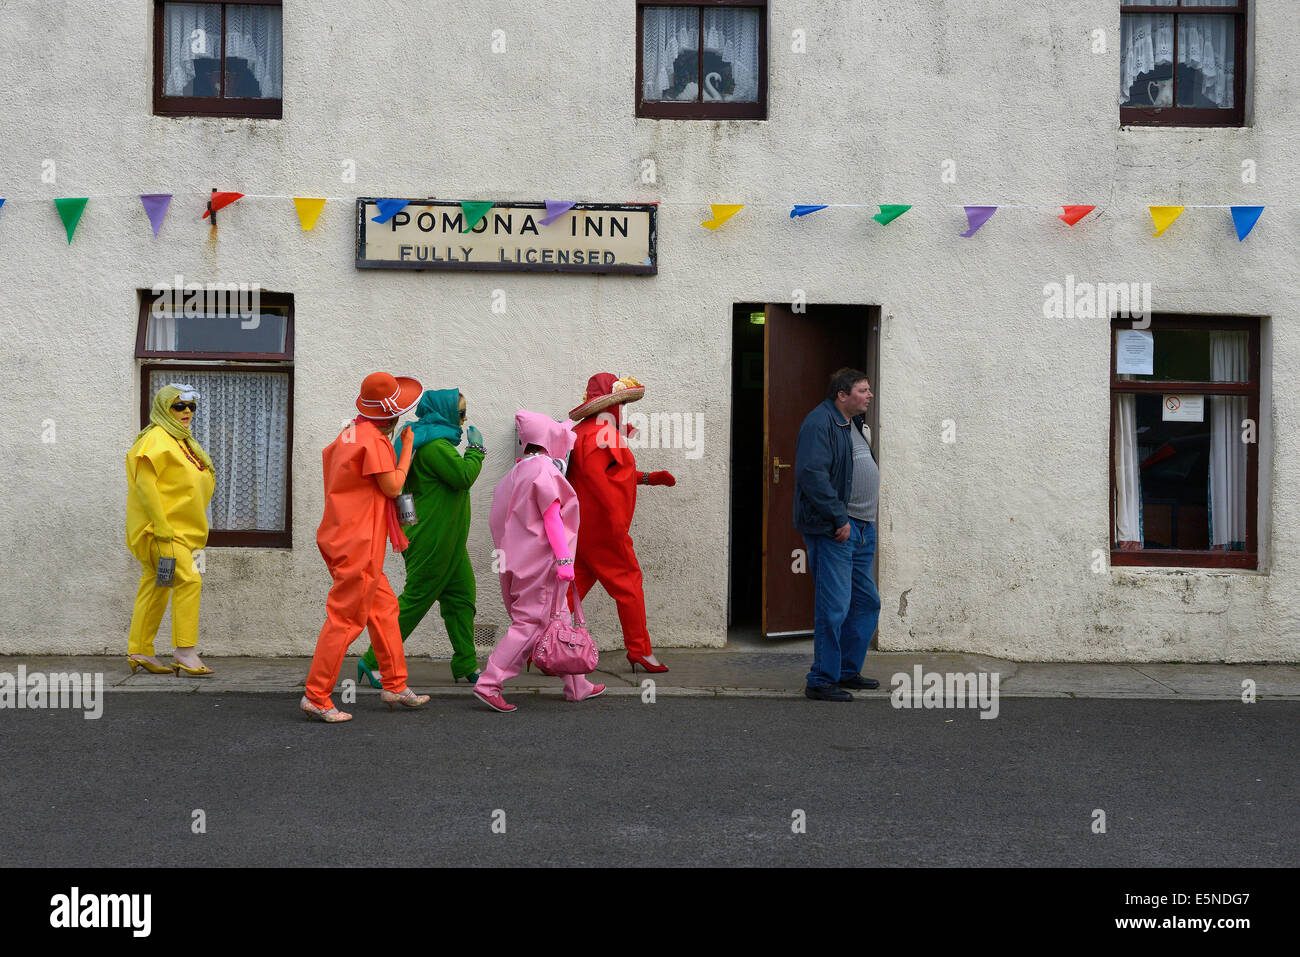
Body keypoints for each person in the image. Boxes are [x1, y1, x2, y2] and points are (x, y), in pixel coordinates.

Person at [301, 372, 431, 722]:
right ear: (391, 416)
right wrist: (407, 451)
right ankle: (316, 696)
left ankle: (394, 683)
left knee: (384, 609)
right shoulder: (373, 441)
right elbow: (393, 487)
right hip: (358, 543)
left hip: (343, 536)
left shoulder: (349, 434)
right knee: (345, 619)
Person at [473, 410, 605, 713]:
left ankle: (577, 684)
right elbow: (553, 519)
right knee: (530, 623)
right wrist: (564, 559)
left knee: (553, 619)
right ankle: (489, 683)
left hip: (520, 561)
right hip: (543, 563)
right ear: (549, 440)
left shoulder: (514, 474)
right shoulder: (545, 472)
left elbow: (500, 520)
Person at [357, 389, 486, 687]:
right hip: (434, 541)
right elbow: (463, 476)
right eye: (461, 414)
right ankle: (373, 659)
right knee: (414, 602)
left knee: (461, 599)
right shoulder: (435, 446)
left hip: (447, 541)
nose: (464, 420)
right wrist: (476, 450)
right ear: (446, 414)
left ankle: (466, 663)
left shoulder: (419, 438)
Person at [566, 373, 675, 674]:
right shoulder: (603, 436)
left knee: (572, 587)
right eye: (620, 404)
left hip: (583, 529)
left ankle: (540, 646)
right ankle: (640, 650)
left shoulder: (582, 432)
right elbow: (601, 484)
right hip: (604, 529)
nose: (622, 410)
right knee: (629, 585)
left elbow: (610, 478)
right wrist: (617, 527)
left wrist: (648, 478)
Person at [793, 368, 882, 702]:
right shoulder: (820, 423)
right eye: (862, 390)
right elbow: (811, 474)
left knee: (866, 601)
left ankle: (846, 669)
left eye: (869, 390)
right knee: (834, 606)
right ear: (842, 395)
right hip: (837, 529)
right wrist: (837, 518)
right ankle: (820, 679)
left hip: (862, 527)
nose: (869, 395)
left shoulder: (854, 424)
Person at [124, 384, 216, 676]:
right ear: (165, 408)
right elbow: (145, 485)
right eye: (179, 406)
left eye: (191, 407)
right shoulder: (156, 438)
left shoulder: (182, 441)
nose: (186, 411)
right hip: (162, 532)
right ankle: (184, 650)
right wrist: (161, 526)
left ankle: (140, 650)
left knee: (157, 584)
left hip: (181, 531)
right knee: (189, 579)